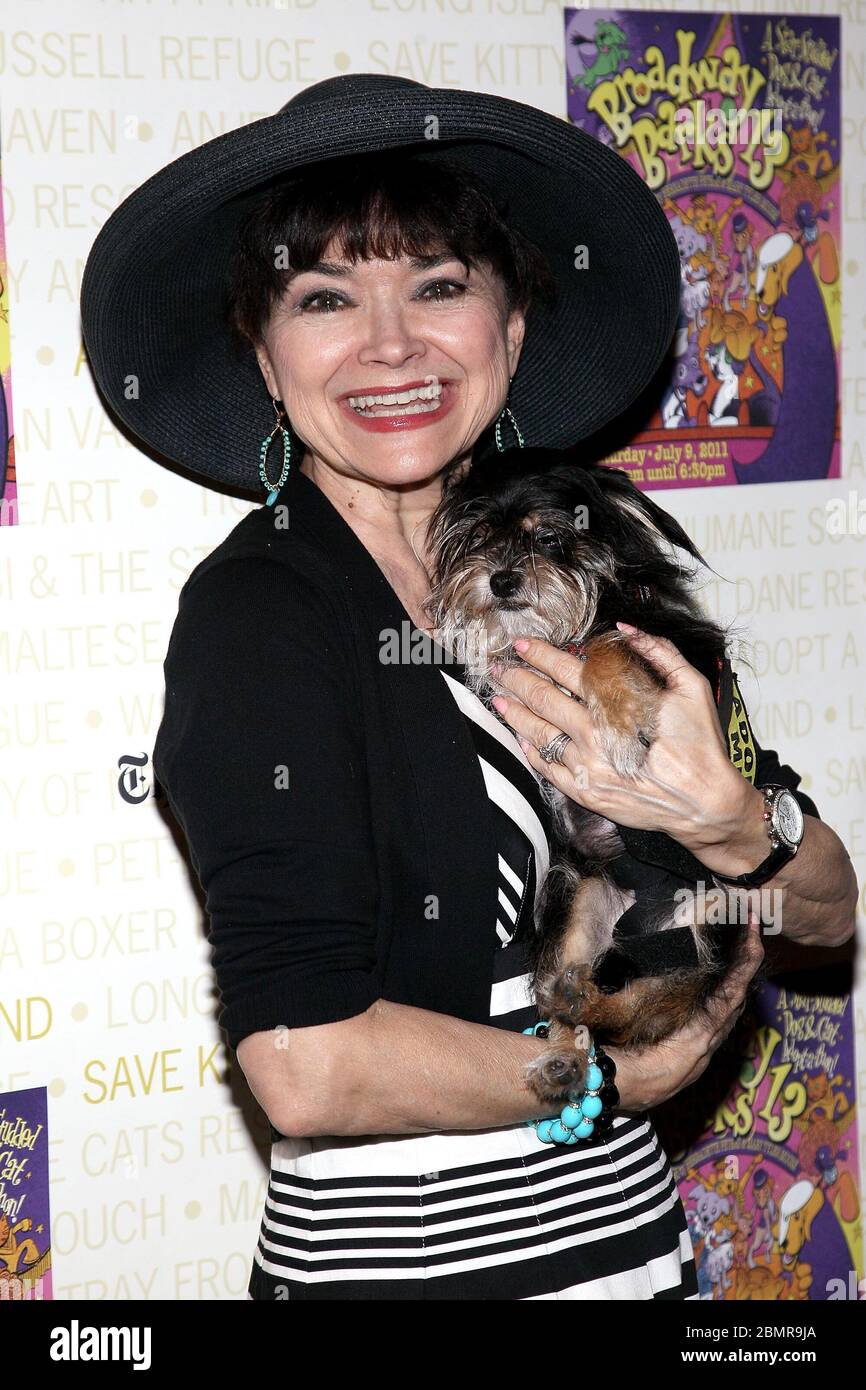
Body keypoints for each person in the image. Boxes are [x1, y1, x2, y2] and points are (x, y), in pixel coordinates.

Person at [80, 73, 857, 1301]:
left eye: (438, 285)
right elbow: (305, 1063)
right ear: (265, 358)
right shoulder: (262, 616)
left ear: (512, 327)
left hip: (639, 1263)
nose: (390, 343)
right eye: (325, 298)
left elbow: (827, 911)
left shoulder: (587, 568)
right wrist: (602, 1079)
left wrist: (733, 823)